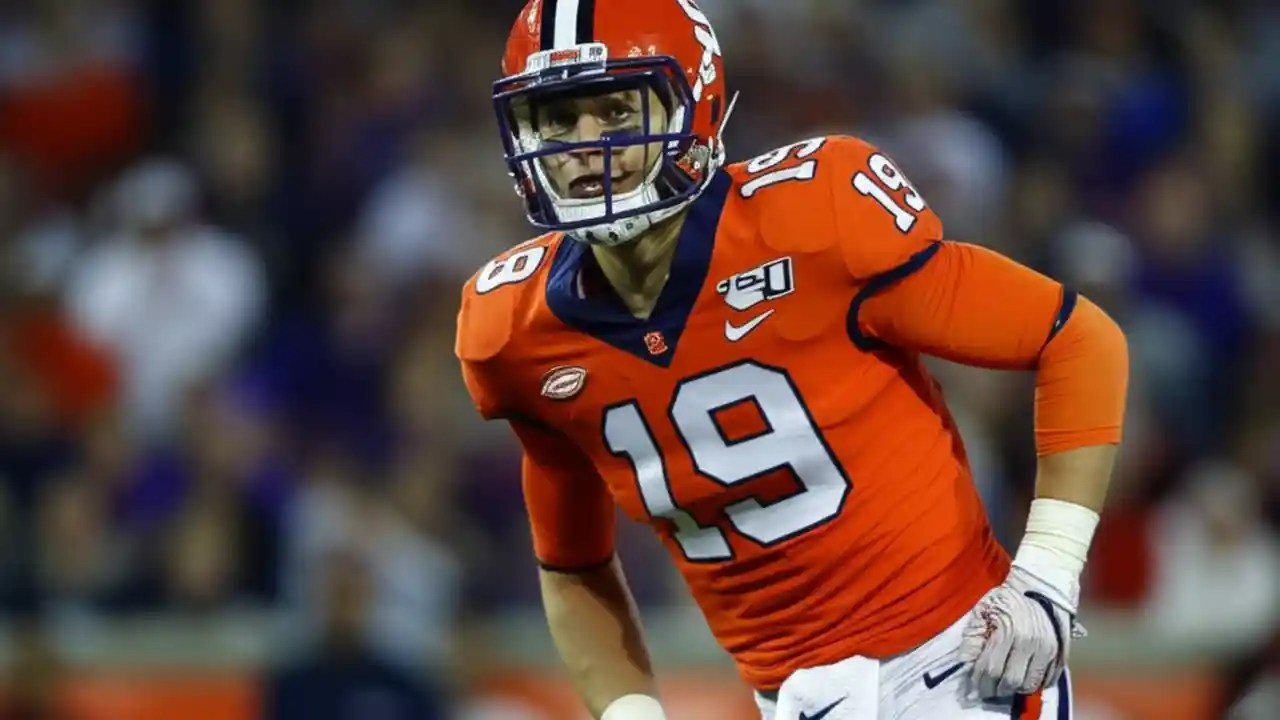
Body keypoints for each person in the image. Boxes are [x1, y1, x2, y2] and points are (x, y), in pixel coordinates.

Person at [454, 1, 1129, 718]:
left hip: (959, 665)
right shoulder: (515, 332)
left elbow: (1080, 339)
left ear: (694, 103)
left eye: (616, 110)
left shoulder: (815, 220)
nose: (582, 144)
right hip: (791, 702)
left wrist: (1047, 575)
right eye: (558, 119)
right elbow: (573, 565)